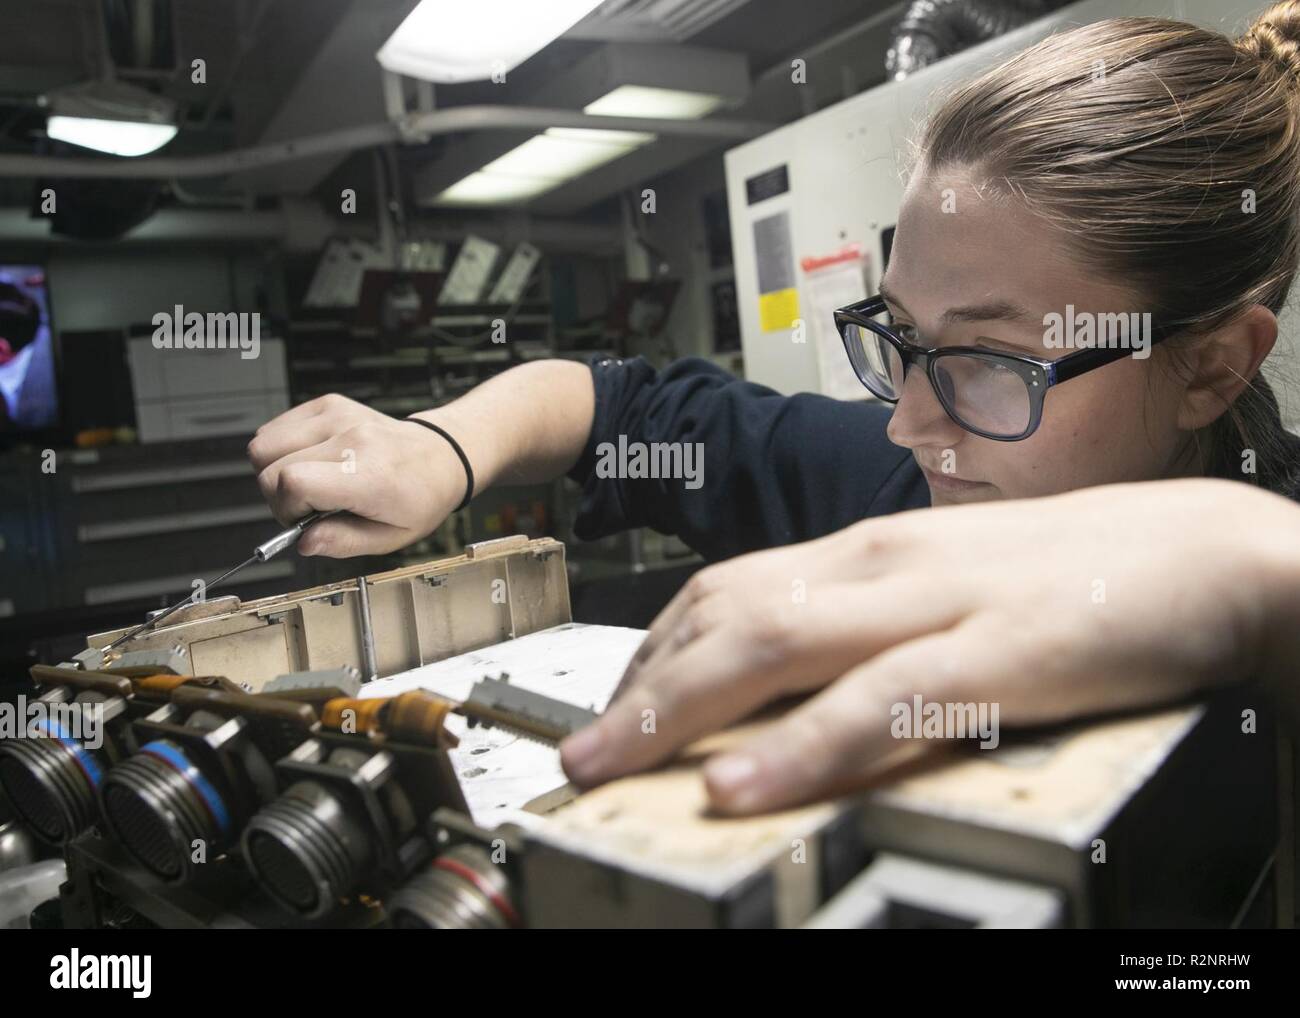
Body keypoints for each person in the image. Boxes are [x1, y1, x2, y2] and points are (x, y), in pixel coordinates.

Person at [249, 5, 1300, 810]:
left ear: (1210, 369)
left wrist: (1254, 570)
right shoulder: (883, 486)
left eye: (990, 363)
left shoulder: (1270, 555)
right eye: (904, 343)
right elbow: (626, 408)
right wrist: (440, 449)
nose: (908, 426)